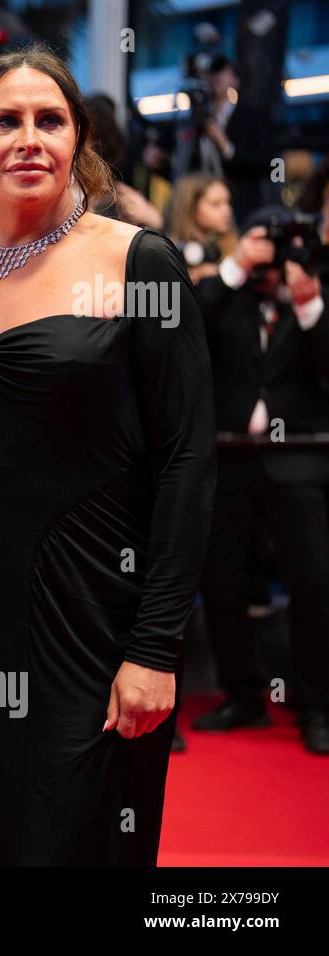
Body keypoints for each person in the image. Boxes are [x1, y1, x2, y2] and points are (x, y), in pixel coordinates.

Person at [0, 46, 216, 865]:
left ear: (78, 138)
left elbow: (188, 458)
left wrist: (155, 647)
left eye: (51, 120)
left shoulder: (137, 259)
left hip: (93, 616)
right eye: (6, 121)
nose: (29, 139)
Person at [193, 208, 329, 755]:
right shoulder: (225, 295)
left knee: (314, 583)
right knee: (223, 580)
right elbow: (184, 328)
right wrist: (234, 265)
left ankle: (316, 704)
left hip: (301, 461)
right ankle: (242, 694)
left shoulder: (315, 297)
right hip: (229, 458)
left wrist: (310, 303)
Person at [166, 173, 236, 283]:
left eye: (228, 203)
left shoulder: (232, 245)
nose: (227, 211)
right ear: (191, 208)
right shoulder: (171, 254)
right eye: (215, 204)